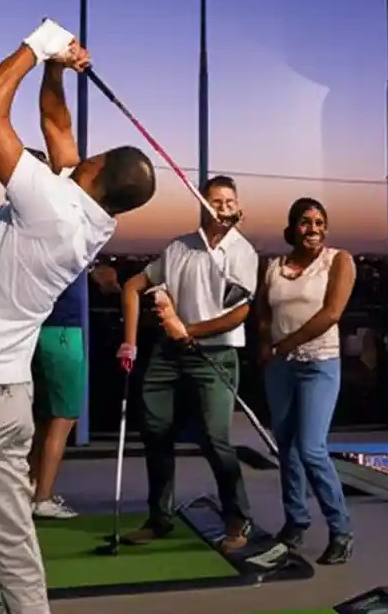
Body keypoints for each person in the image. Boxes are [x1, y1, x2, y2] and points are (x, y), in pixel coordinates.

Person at [0, 19, 156, 612]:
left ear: (93, 169)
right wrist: (58, 67)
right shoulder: (92, 215)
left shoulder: (52, 207)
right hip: (9, 397)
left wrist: (36, 45)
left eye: (87, 156)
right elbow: (55, 123)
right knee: (12, 541)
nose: (76, 152)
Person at [118, 175, 259, 552]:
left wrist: (190, 331)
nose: (224, 207)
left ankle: (236, 520)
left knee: (216, 440)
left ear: (238, 207)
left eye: (230, 202)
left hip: (215, 356)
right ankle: (159, 518)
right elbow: (133, 285)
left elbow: (238, 313)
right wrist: (129, 342)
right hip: (168, 355)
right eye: (217, 201)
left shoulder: (243, 252)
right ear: (203, 204)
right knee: (156, 434)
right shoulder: (179, 247)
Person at [257, 197, 357, 565]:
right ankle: (296, 521)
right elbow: (264, 314)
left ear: (325, 228)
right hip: (280, 368)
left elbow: (331, 313)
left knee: (312, 447)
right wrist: (267, 347)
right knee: (287, 447)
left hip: (319, 364)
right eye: (304, 222)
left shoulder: (340, 260)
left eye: (319, 222)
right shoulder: (273, 267)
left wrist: (283, 345)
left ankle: (341, 530)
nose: (312, 228)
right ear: (292, 227)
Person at [21, 148, 88, 520]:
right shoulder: (57, 217)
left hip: (35, 326)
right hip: (60, 328)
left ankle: (31, 487)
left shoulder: (17, 217)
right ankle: (42, 497)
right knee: (62, 417)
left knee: (43, 415)